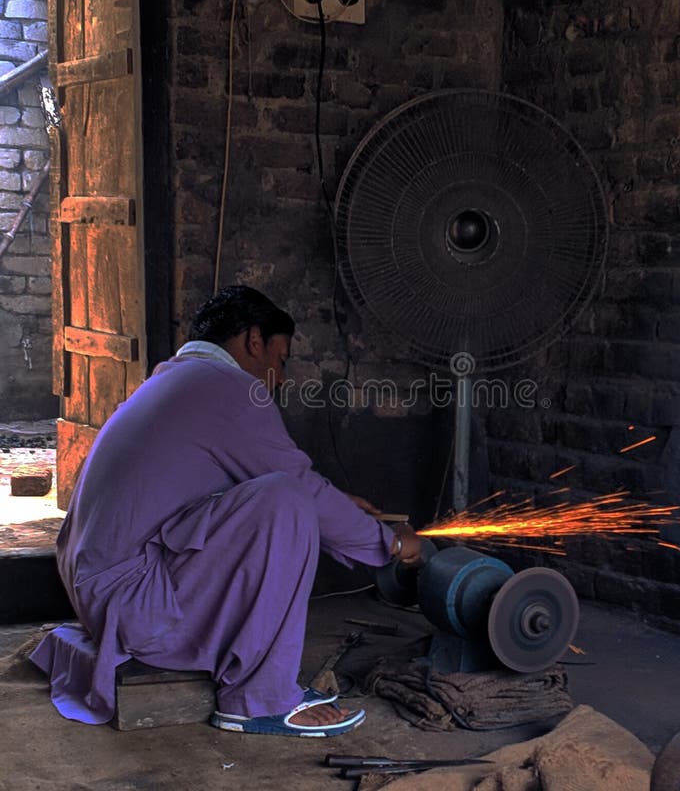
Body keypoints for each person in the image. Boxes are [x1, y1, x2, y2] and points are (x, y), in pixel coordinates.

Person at [31, 285, 422, 736]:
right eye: (281, 358)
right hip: (136, 611)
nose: (281, 377)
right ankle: (259, 700)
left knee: (287, 497)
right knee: (287, 501)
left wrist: (337, 503)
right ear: (254, 342)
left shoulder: (178, 380)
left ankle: (255, 687)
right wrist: (391, 543)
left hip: (102, 595)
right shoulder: (229, 388)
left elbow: (264, 483)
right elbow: (296, 490)